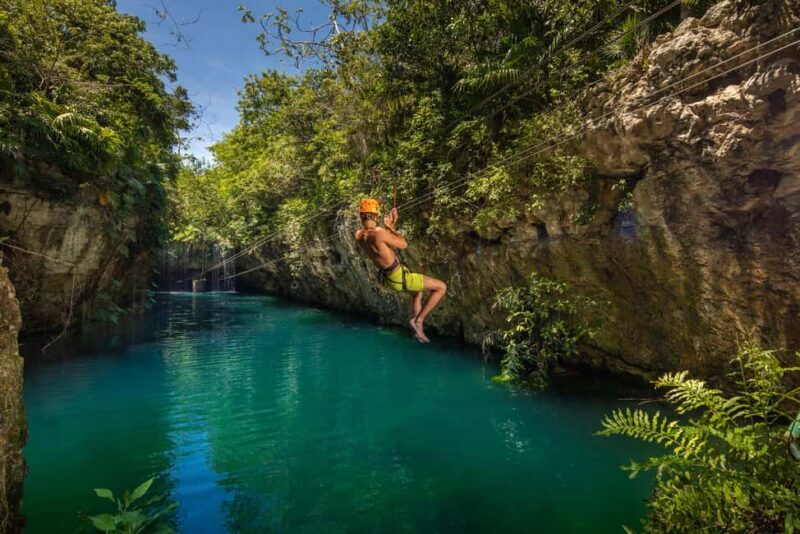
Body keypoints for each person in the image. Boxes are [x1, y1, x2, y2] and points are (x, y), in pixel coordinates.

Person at [354, 198, 447, 343]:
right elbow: (403, 244)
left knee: (417, 293)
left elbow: (382, 246)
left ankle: (419, 328)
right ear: (375, 215)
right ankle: (418, 320)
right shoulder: (379, 232)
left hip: (388, 278)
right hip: (399, 276)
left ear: (361, 216)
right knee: (441, 287)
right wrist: (390, 226)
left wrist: (390, 225)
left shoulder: (359, 235)